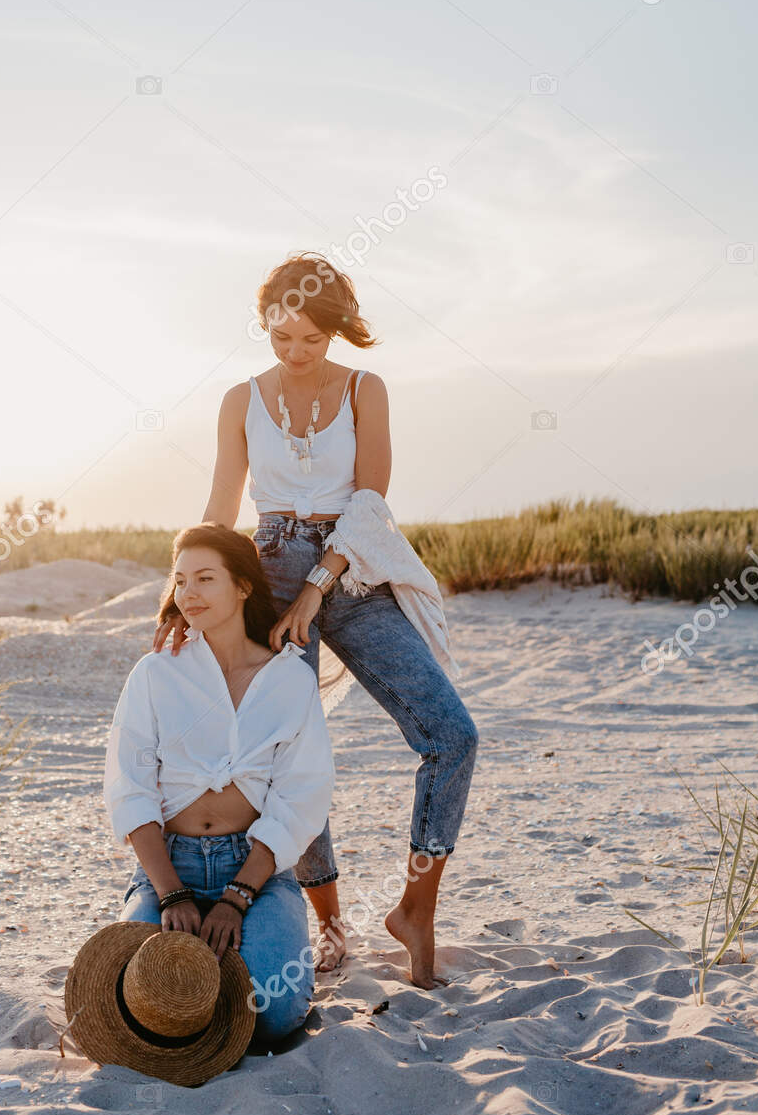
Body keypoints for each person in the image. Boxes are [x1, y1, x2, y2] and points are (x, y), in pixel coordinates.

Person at [154, 253, 478, 989]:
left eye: (311, 339)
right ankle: (327, 923)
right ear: (265, 325)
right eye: (281, 339)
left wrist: (317, 586)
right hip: (265, 570)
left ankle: (414, 911)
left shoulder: (366, 389)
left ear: (333, 328)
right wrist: (181, 593)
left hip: (354, 571)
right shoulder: (239, 399)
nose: (297, 354)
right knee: (289, 751)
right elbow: (219, 507)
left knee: (451, 735)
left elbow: (369, 500)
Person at [104, 522, 334, 1043]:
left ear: (243, 586)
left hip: (256, 869)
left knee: (271, 1014)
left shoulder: (290, 679)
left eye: (205, 579)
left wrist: (236, 897)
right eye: (180, 581)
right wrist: (170, 894)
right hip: (168, 864)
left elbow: (301, 798)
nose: (189, 594)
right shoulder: (155, 673)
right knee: (132, 999)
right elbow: (130, 787)